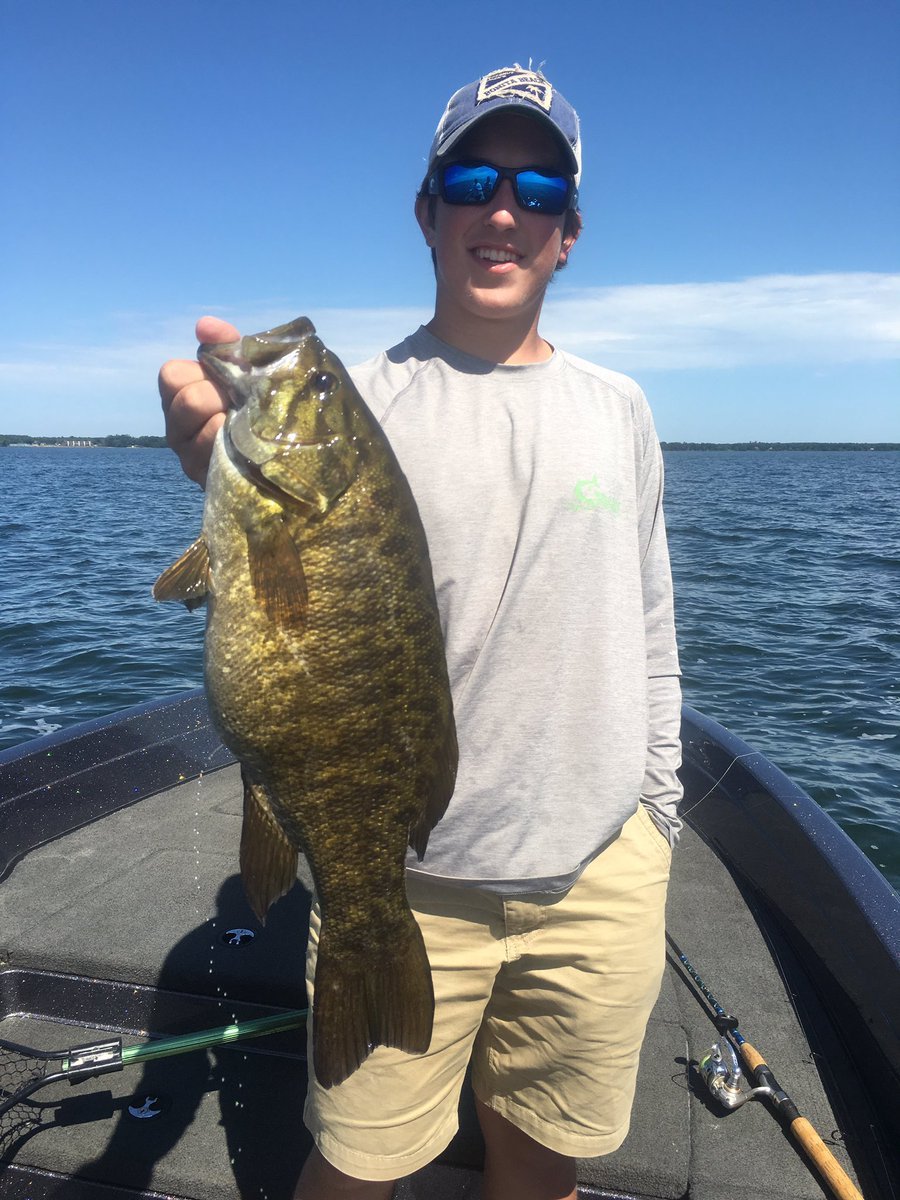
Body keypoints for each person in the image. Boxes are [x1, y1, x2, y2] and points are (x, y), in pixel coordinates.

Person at [159, 64, 682, 1200]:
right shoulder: (370, 403)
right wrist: (219, 481)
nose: (504, 210)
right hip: (409, 869)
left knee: (541, 1156)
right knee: (357, 1163)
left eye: (537, 190)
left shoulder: (621, 409)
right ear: (428, 211)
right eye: (473, 181)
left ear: (568, 234)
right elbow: (279, 607)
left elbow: (649, 628)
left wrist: (658, 811)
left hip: (601, 876)